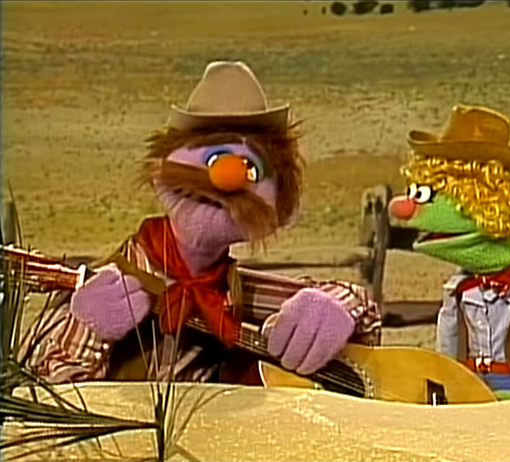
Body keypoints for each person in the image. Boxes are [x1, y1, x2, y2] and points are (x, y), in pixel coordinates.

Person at [18, 61, 380, 384]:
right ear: (160, 172)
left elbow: (360, 308)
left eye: (250, 167)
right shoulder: (104, 283)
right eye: (214, 157)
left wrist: (334, 306)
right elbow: (40, 398)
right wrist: (88, 327)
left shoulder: (231, 288)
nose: (228, 178)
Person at [388, 105, 510, 400]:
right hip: (473, 404)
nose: (403, 208)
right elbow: (447, 364)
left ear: (484, 204)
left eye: (429, 196)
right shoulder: (458, 293)